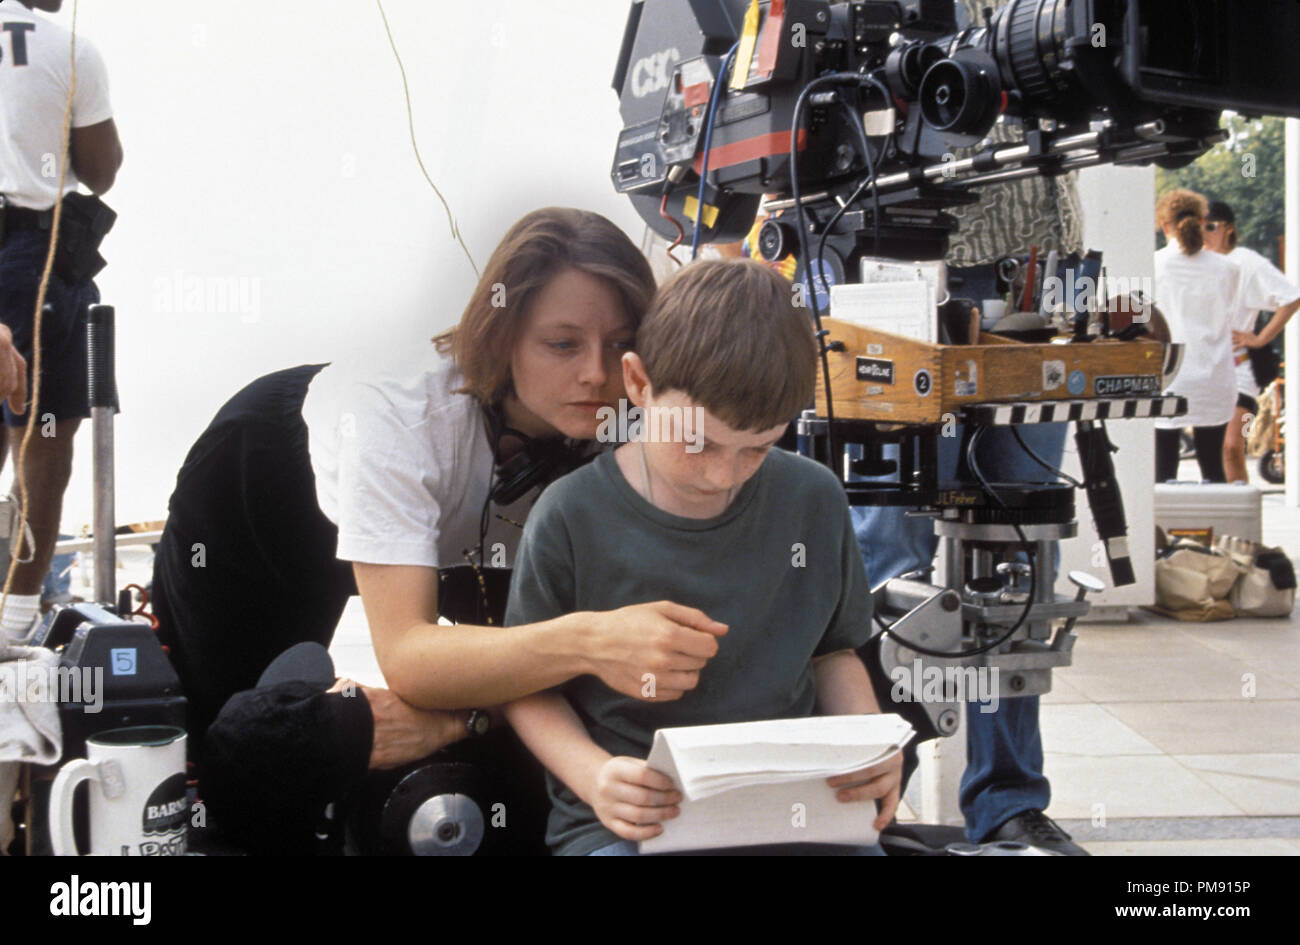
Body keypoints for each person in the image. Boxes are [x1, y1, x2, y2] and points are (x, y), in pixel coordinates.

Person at [150, 207, 735, 848]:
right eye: (562, 345)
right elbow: (410, 657)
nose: (597, 373)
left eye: (621, 342)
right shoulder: (400, 418)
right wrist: (591, 641)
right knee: (227, 747)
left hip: (465, 517)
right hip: (266, 497)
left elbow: (547, 667)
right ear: (502, 337)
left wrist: (468, 716)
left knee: (527, 689)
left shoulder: (622, 414)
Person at [504, 258, 903, 856]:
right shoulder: (569, 515)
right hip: (633, 824)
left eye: (758, 449)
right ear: (638, 383)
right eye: (697, 441)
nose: (723, 476)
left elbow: (834, 652)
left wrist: (868, 744)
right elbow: (525, 685)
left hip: (794, 811)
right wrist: (593, 776)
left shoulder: (814, 498)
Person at [0, 0, 122, 639]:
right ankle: (15, 623)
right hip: (30, 251)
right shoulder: (67, 46)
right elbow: (102, 172)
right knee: (42, 438)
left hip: (27, 250)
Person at [1202, 200, 1300, 483]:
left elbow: (1291, 298)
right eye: (1199, 228)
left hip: (1240, 371)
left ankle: (1240, 507)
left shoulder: (1246, 261)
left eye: (1211, 227)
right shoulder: (1193, 263)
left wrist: (1260, 338)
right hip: (1203, 371)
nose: (1204, 233)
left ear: (1228, 229)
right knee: (1210, 453)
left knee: (1233, 446)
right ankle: (1221, 507)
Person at [1152, 189, 1241, 483]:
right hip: (1214, 378)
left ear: (1164, 225)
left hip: (1169, 376)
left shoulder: (1152, 265)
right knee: (1213, 468)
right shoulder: (1228, 268)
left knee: (1163, 472)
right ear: (1203, 222)